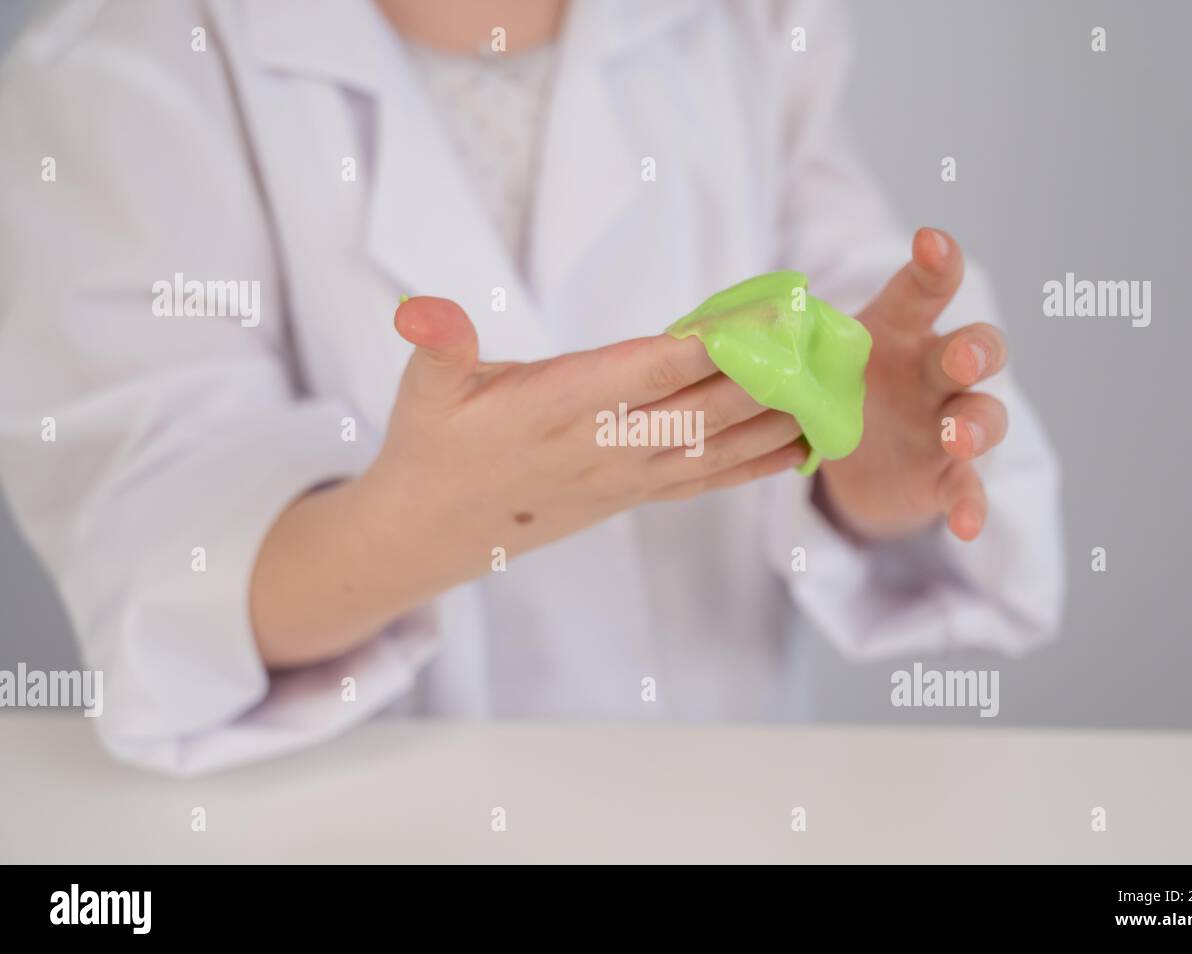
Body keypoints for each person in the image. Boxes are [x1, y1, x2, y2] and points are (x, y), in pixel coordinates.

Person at [0, 0, 1063, 774]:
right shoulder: (117, 64)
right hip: (342, 827)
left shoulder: (747, 23)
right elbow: (160, 554)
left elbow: (858, 345)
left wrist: (868, 469)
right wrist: (423, 525)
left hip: (721, 806)